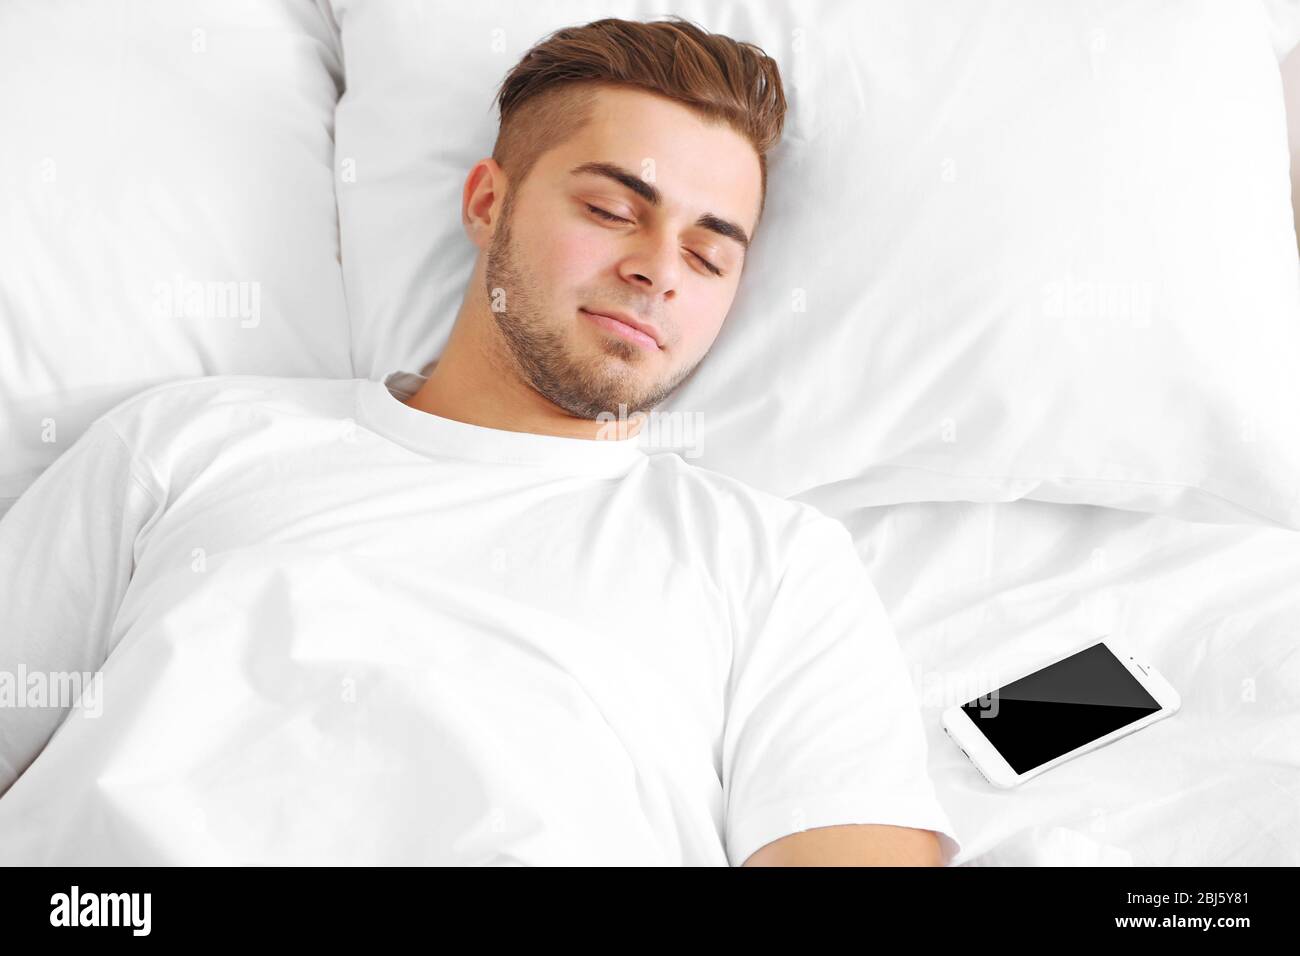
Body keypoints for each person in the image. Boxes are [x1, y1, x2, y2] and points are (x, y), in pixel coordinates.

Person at [0, 16, 960, 866]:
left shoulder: (774, 565)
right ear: (487, 202)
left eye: (708, 255)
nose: (657, 271)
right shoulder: (190, 440)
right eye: (613, 210)